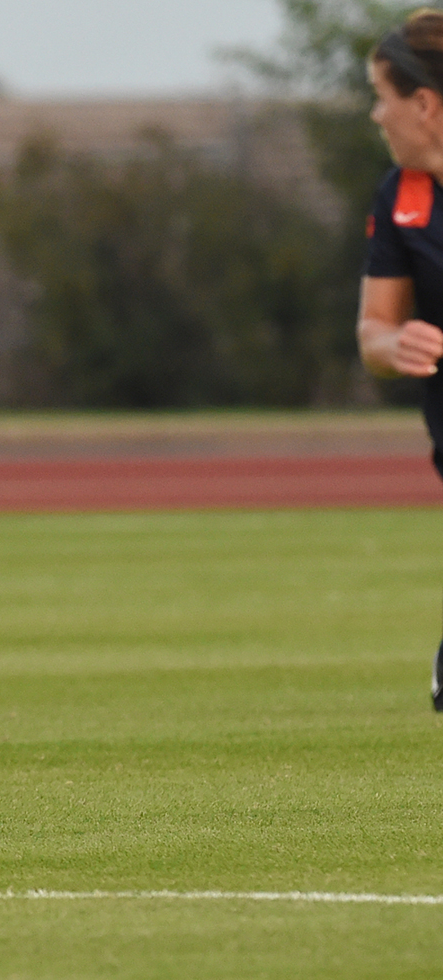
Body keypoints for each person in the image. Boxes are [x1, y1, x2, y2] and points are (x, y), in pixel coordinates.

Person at [357, 11, 443, 711]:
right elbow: (372, 333)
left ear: (424, 103)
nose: (375, 113)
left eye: (382, 95)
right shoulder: (401, 197)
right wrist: (399, 344)